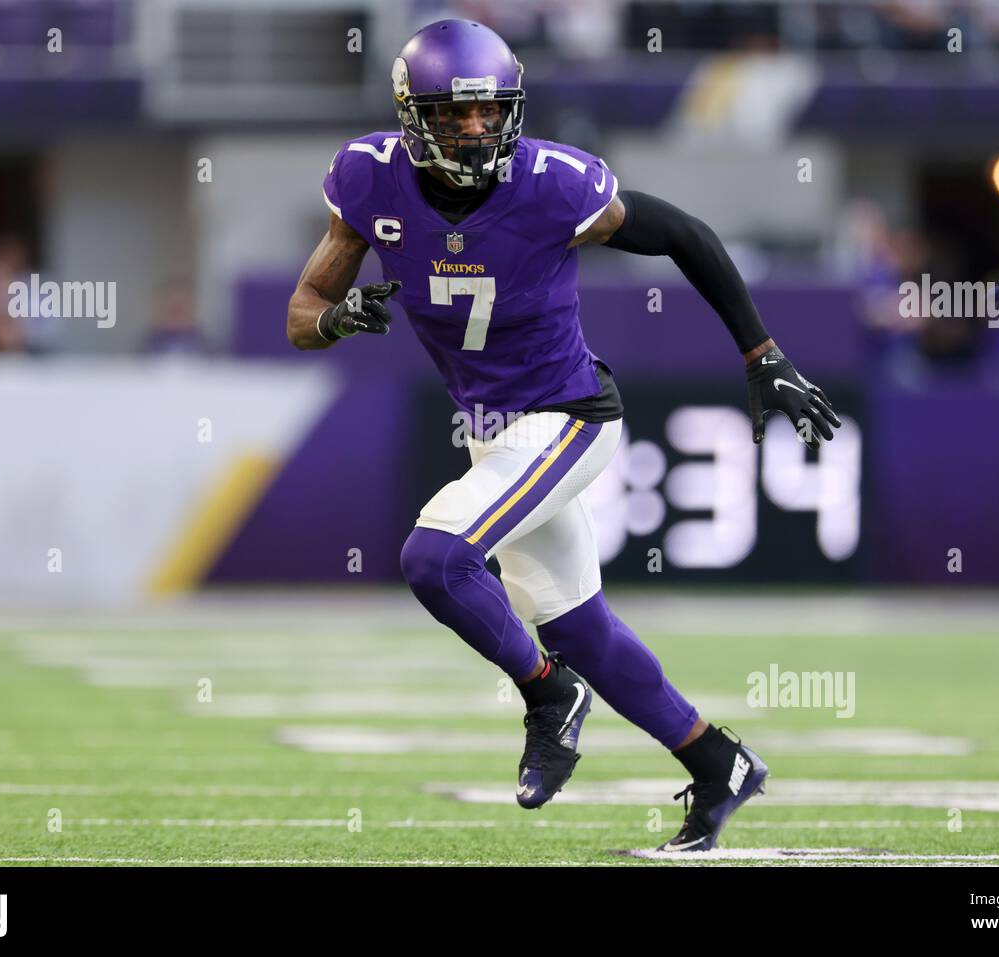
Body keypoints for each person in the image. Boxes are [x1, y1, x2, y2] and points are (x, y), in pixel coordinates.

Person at [286, 19, 840, 853]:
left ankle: (549, 697)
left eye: (488, 112)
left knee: (434, 557)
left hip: (570, 417)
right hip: (492, 432)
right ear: (412, 116)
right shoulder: (369, 179)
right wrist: (336, 319)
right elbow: (299, 318)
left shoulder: (552, 183)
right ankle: (718, 760)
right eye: (453, 114)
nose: (475, 130)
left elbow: (686, 235)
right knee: (580, 625)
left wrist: (763, 354)